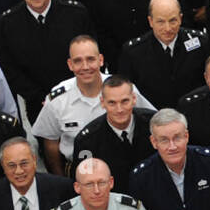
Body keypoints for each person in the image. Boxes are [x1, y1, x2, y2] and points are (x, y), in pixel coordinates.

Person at [33, 35, 148, 175]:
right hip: (82, 171)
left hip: (125, 167)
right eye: (78, 61)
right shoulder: (58, 100)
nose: (85, 67)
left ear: (101, 60)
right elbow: (50, 142)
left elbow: (149, 120)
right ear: (70, 64)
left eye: (90, 59)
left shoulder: (122, 89)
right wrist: (60, 181)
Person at [0, 0, 92, 122]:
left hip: (77, 95)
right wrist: (37, 95)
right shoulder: (7, 23)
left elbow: (90, 53)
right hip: (37, 103)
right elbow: (7, 66)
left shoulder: (76, 14)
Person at [118, 0, 208, 110]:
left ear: (180, 18)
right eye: (161, 22)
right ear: (150, 21)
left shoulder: (200, 43)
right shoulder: (133, 52)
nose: (168, 28)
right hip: (153, 116)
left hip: (193, 113)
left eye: (173, 21)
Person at [71, 75, 156, 190]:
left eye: (125, 101)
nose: (119, 109)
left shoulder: (154, 124)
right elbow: (85, 182)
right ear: (102, 102)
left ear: (134, 99)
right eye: (112, 103)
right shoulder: (87, 141)